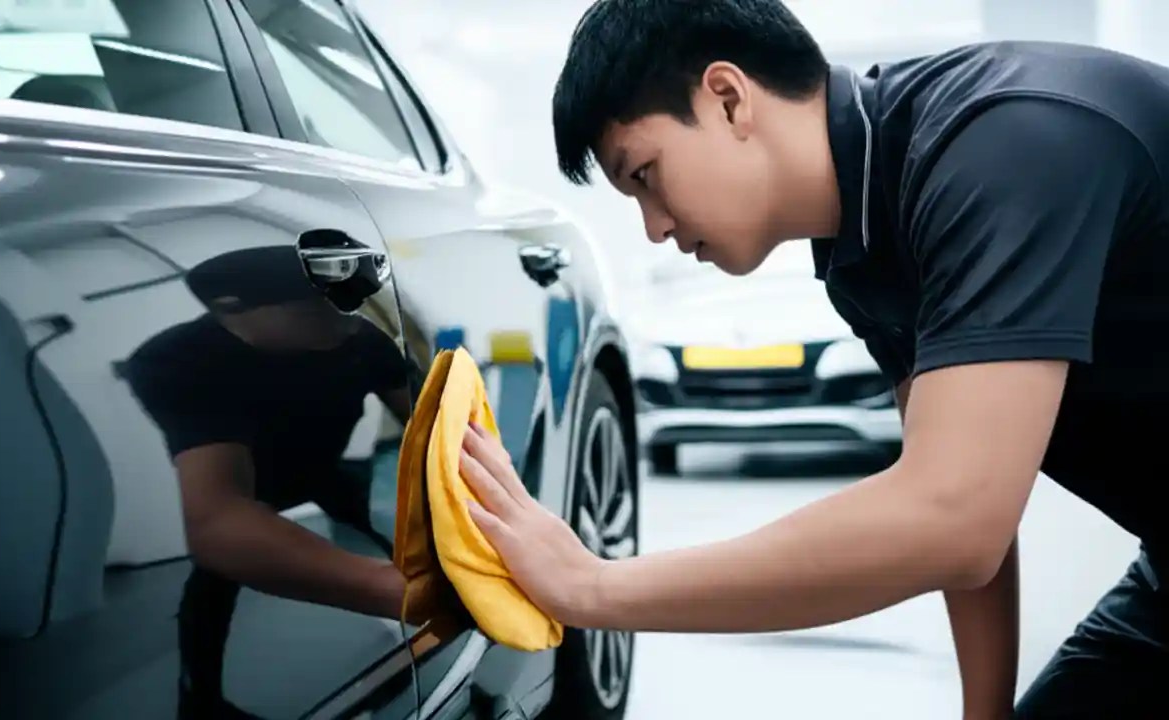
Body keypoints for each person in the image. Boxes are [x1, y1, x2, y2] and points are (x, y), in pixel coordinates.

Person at [456, 1, 1169, 717]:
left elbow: (953, 517)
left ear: (729, 98)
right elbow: (952, 497)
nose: (654, 227)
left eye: (644, 174)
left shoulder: (1001, 145)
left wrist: (593, 589)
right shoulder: (866, 238)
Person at [125, 245, 448, 718]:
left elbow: (433, 429)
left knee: (381, 523)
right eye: (313, 310)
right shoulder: (176, 360)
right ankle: (201, 699)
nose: (342, 322)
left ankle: (437, 631)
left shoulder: (358, 338)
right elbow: (218, 517)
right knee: (213, 584)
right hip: (249, 479)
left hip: (323, 465)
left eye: (346, 306)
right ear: (230, 310)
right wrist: (393, 591)